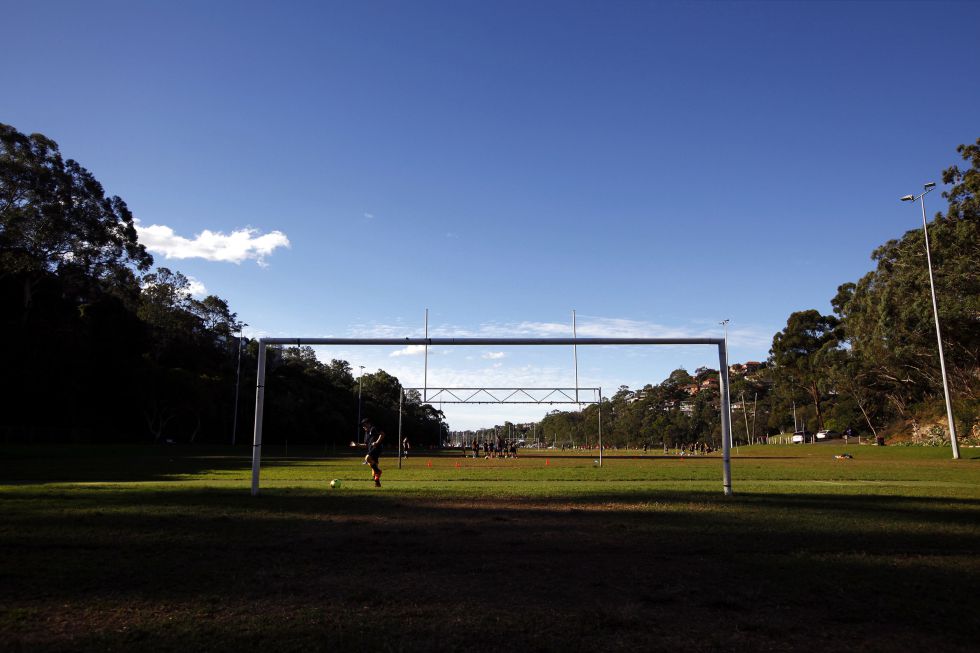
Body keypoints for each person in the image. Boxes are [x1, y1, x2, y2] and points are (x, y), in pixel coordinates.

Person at [351, 417, 385, 487]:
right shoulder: (366, 434)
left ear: (369, 424)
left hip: (377, 448)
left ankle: (378, 471)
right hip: (371, 449)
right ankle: (377, 483)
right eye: (362, 425)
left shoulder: (373, 428)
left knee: (367, 458)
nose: (363, 426)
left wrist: (377, 442)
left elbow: (382, 434)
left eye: (364, 424)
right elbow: (366, 445)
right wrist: (357, 444)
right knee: (373, 470)